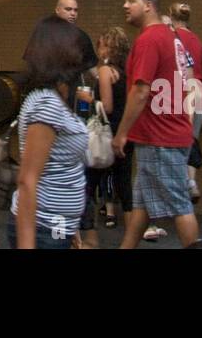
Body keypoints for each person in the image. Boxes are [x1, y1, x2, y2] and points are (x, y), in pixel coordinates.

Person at [111, 0, 200, 249]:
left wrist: (121, 133)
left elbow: (140, 90)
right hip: (168, 132)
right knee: (141, 206)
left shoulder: (149, 40)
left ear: (148, 5)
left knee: (180, 205)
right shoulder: (173, 38)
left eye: (131, 1)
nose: (125, 6)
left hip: (160, 137)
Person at [12, 15, 89, 249]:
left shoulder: (51, 98)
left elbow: (60, 167)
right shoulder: (47, 104)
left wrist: (70, 226)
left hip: (55, 224)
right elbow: (27, 180)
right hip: (45, 225)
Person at [80, 27, 132, 246]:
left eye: (100, 44)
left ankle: (87, 236)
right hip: (126, 133)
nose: (98, 49)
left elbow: (106, 107)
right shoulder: (126, 70)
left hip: (107, 134)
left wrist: (87, 98)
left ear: (108, 47)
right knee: (124, 186)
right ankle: (132, 237)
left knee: (87, 186)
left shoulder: (105, 71)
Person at [169, 2, 202, 203]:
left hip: (178, 93)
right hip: (198, 93)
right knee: (193, 138)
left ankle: (179, 185)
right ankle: (191, 180)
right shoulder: (197, 40)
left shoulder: (172, 39)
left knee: (176, 142)